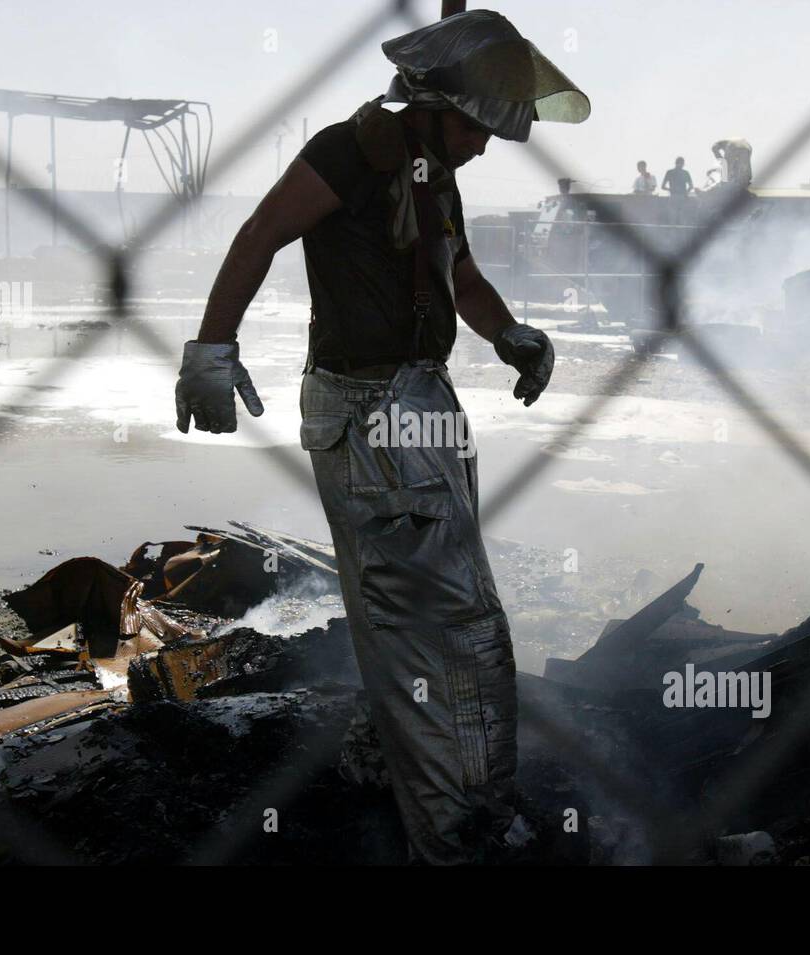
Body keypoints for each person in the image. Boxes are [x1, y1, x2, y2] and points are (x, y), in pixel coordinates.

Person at [172, 10, 589, 865]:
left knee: (453, 620)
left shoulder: (436, 173)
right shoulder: (349, 151)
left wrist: (510, 333)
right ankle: (457, 835)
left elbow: (459, 273)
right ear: (429, 101)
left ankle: (461, 813)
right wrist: (212, 347)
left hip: (420, 408)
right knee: (440, 628)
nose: (482, 145)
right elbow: (260, 234)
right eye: (474, 125)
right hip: (368, 413)